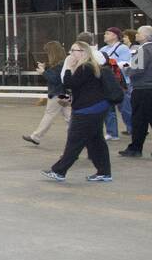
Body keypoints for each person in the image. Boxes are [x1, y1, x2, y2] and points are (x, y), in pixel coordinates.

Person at [42, 37, 113, 182]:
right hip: (96, 108)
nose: (70, 53)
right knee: (96, 141)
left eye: (73, 50)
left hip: (87, 111)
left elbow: (69, 83)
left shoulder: (85, 67)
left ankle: (59, 171)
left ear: (82, 52)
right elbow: (84, 89)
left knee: (75, 141)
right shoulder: (92, 66)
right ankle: (104, 172)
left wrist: (67, 66)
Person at [120, 25, 152, 159]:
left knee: (139, 119)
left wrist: (125, 68)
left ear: (144, 36)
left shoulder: (142, 50)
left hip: (143, 89)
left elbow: (136, 70)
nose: (136, 35)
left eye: (138, 33)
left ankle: (135, 148)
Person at [22, 41, 70, 145]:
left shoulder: (58, 66)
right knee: (70, 117)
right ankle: (82, 137)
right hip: (64, 93)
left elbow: (54, 79)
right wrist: (46, 67)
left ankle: (36, 136)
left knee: (49, 115)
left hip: (57, 94)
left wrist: (43, 72)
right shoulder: (64, 62)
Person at [98, 27, 132, 141]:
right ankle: (112, 133)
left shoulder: (123, 48)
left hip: (120, 82)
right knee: (108, 108)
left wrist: (111, 62)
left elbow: (126, 63)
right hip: (107, 82)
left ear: (115, 35)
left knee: (125, 108)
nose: (105, 35)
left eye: (107, 33)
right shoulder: (103, 48)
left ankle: (133, 128)